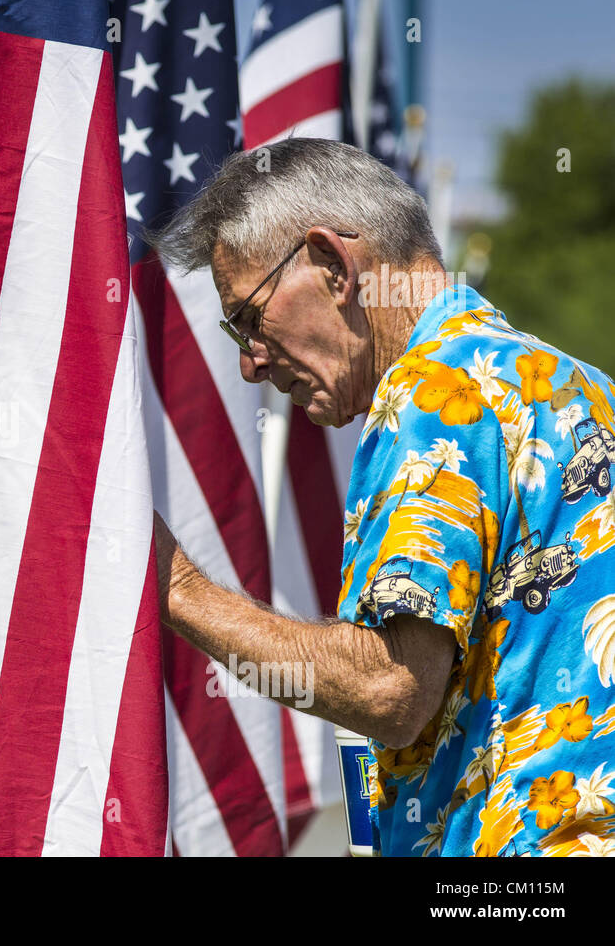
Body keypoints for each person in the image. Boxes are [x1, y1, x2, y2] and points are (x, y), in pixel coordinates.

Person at [147, 137, 615, 857]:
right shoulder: (584, 388)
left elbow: (389, 692)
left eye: (247, 318)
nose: (248, 364)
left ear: (333, 266)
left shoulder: (436, 393)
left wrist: (176, 588)